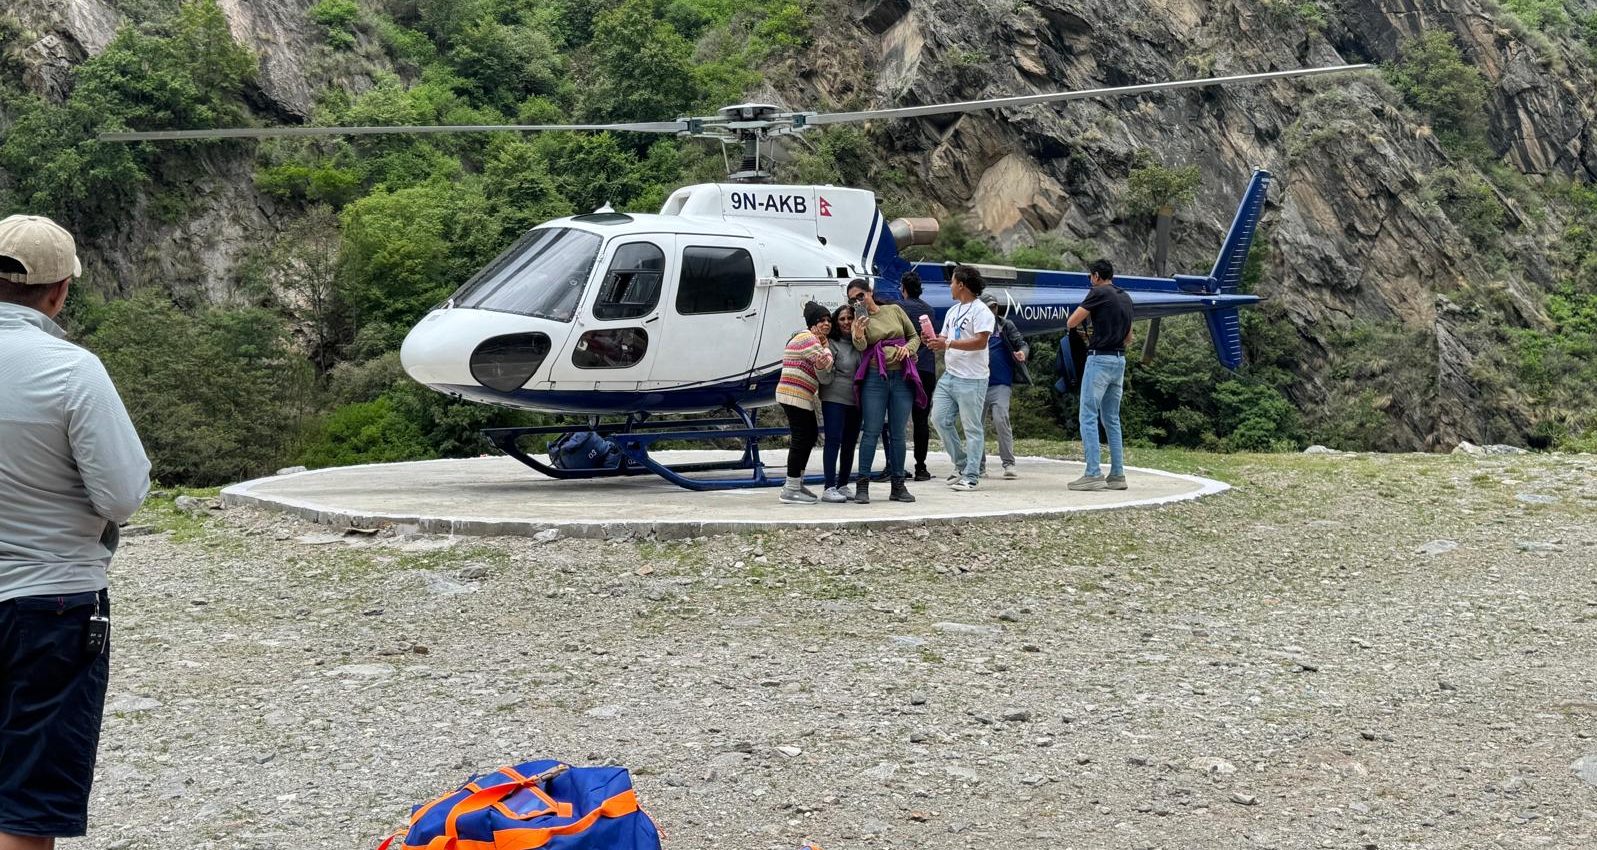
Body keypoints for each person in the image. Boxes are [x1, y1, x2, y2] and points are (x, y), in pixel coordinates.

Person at [0, 214, 150, 849]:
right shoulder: (71, 370)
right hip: (51, 604)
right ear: (59, 291)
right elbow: (122, 493)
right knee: (27, 806)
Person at [848, 278, 923, 504]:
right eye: (852, 300)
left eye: (860, 296)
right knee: (871, 431)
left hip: (901, 375)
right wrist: (859, 332)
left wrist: (907, 350)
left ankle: (898, 485)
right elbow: (860, 347)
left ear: (870, 292)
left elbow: (914, 336)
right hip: (875, 377)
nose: (858, 301)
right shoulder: (858, 320)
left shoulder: (894, 310)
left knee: (898, 432)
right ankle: (863, 485)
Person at [925, 265, 994, 491]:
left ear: (962, 285)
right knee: (939, 418)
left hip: (972, 378)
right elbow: (944, 337)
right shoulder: (953, 311)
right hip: (951, 375)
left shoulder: (981, 311)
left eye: (952, 282)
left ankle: (972, 476)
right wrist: (934, 340)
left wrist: (948, 343)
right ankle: (962, 463)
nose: (950, 287)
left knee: (972, 427)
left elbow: (981, 342)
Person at [1066, 259, 1133, 491]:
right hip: (1119, 360)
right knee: (1112, 419)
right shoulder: (1125, 297)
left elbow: (1072, 321)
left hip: (1099, 360)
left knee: (1088, 415)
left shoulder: (1098, 292)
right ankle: (1117, 475)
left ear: (1095, 276)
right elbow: (1128, 338)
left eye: (1090, 278)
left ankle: (1093, 472)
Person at [775, 302, 834, 504]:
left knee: (809, 436)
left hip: (800, 396)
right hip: (794, 394)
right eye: (821, 321)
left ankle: (796, 483)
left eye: (828, 320)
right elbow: (825, 361)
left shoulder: (809, 338)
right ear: (812, 324)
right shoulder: (807, 338)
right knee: (802, 438)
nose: (826, 324)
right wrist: (827, 347)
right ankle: (790, 488)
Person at [978, 292, 1030, 480]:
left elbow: (1022, 343)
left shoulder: (1005, 325)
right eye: (988, 307)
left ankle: (1009, 464)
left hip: (1001, 383)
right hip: (978, 383)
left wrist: (1022, 353)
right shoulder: (974, 326)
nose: (992, 310)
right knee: (976, 425)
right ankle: (979, 466)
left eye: (994, 307)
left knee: (1001, 419)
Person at [815, 303, 863, 503]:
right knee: (833, 440)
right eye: (842, 319)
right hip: (834, 397)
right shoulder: (831, 343)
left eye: (849, 318)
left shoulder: (860, 342)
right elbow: (825, 375)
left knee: (850, 443)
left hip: (856, 399)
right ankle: (828, 486)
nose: (846, 322)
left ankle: (843, 483)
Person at [895, 271, 938, 481]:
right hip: (927, 369)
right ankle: (921, 467)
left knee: (898, 419)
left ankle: (895, 466)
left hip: (905, 367)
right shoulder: (929, 309)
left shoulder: (897, 308)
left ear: (903, 287)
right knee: (921, 420)